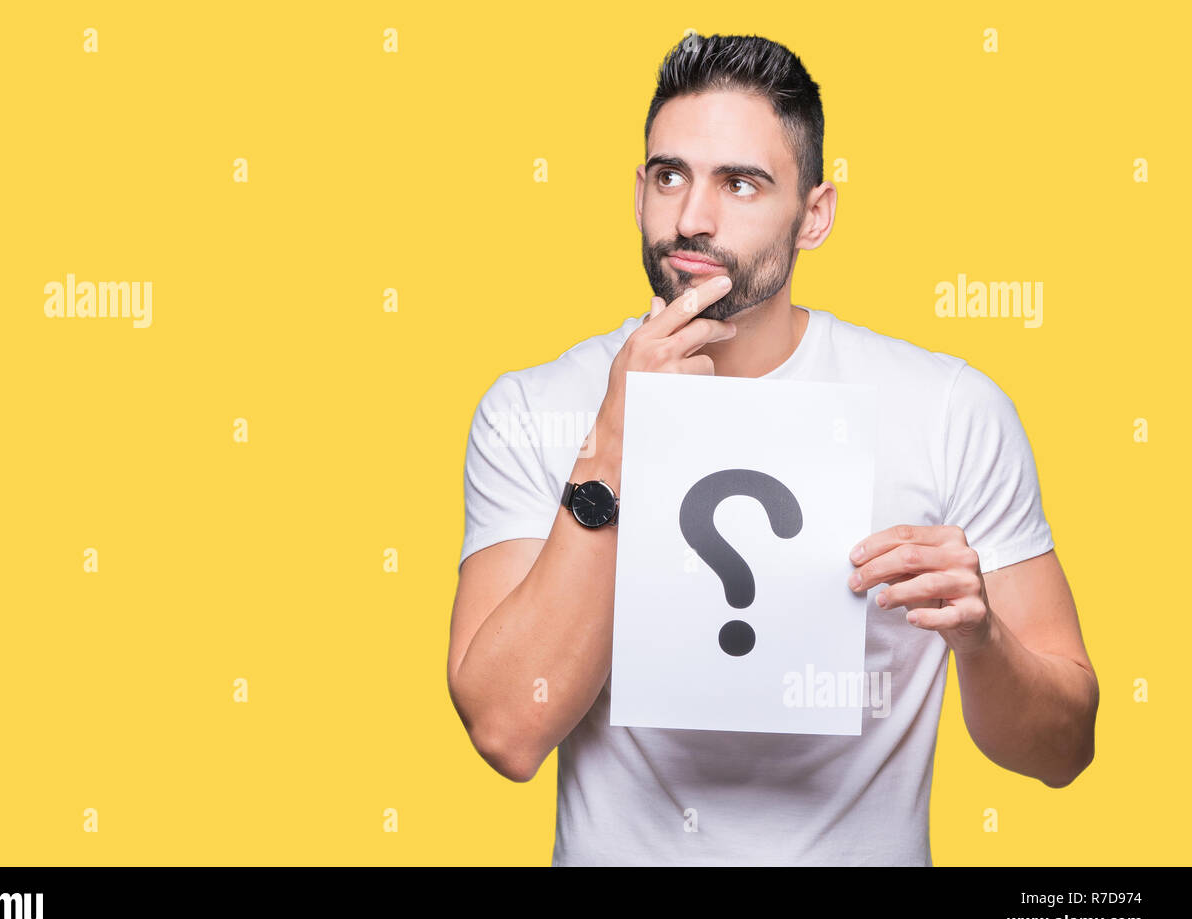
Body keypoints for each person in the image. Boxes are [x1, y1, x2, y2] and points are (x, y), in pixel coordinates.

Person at [448, 33, 1098, 866]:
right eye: (669, 175)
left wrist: (982, 640)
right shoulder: (533, 409)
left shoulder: (948, 410)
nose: (691, 218)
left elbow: (1065, 749)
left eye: (741, 184)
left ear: (815, 214)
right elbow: (507, 731)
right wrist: (613, 445)